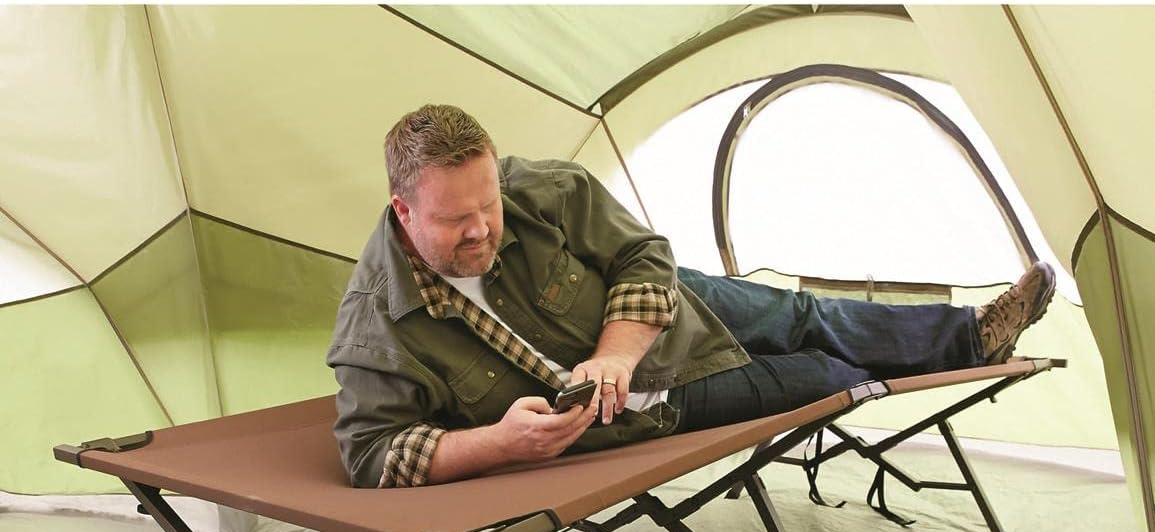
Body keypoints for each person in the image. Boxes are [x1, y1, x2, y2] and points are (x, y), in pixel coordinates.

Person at [327, 104, 1055, 489]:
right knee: (828, 375)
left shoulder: (536, 190)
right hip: (658, 404)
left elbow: (642, 255)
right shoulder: (375, 325)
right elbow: (371, 455)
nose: (483, 228)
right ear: (402, 212)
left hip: (653, 313)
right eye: (457, 220)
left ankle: (969, 336)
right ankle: (929, 351)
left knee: (801, 313)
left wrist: (612, 356)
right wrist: (499, 444)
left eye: (488, 203)